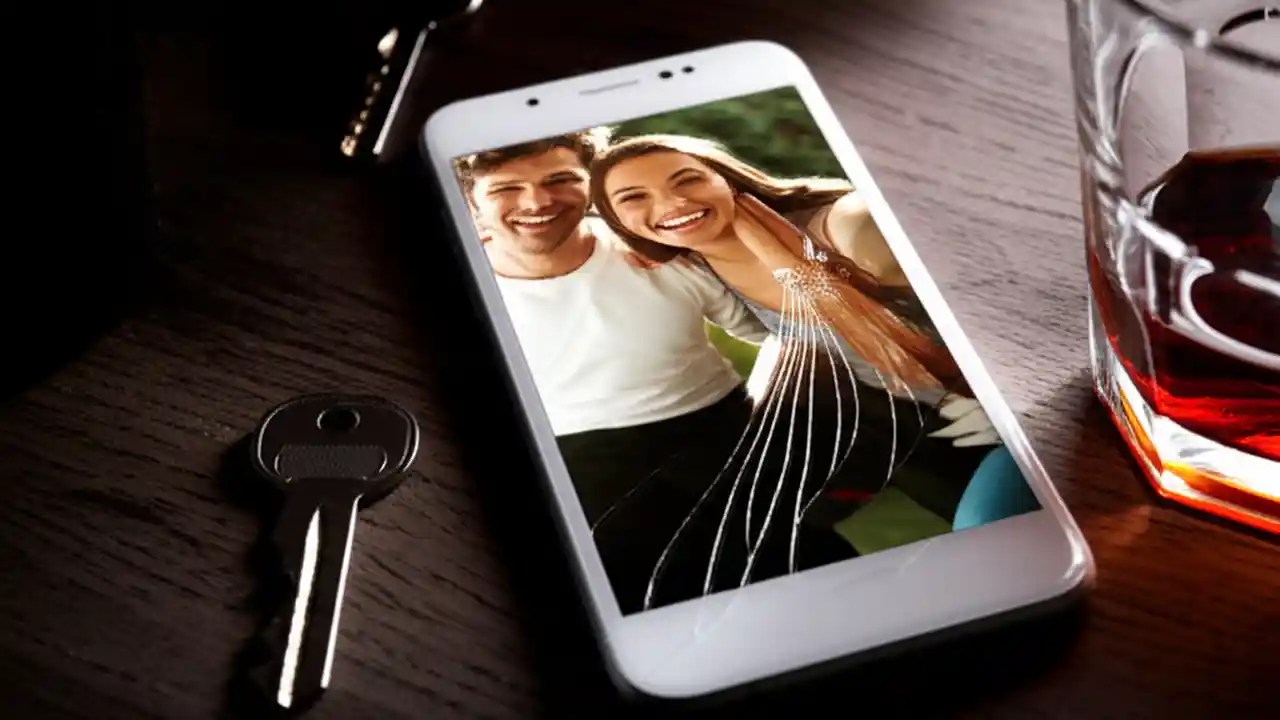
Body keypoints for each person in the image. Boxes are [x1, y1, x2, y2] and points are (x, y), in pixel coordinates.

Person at [454, 131, 854, 612]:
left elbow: (779, 327)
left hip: (724, 438)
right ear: (471, 201)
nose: (537, 201)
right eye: (505, 189)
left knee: (826, 587)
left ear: (591, 186)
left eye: (561, 179)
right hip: (578, 470)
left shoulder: (661, 244)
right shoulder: (454, 279)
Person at [588, 133, 1040, 552]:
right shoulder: (703, 275)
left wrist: (1005, 394)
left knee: (991, 529)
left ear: (726, 180)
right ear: (619, 223)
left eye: (687, 179)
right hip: (931, 432)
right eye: (634, 198)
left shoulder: (844, 229)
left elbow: (1003, 293)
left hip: (1022, 408)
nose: (672, 202)